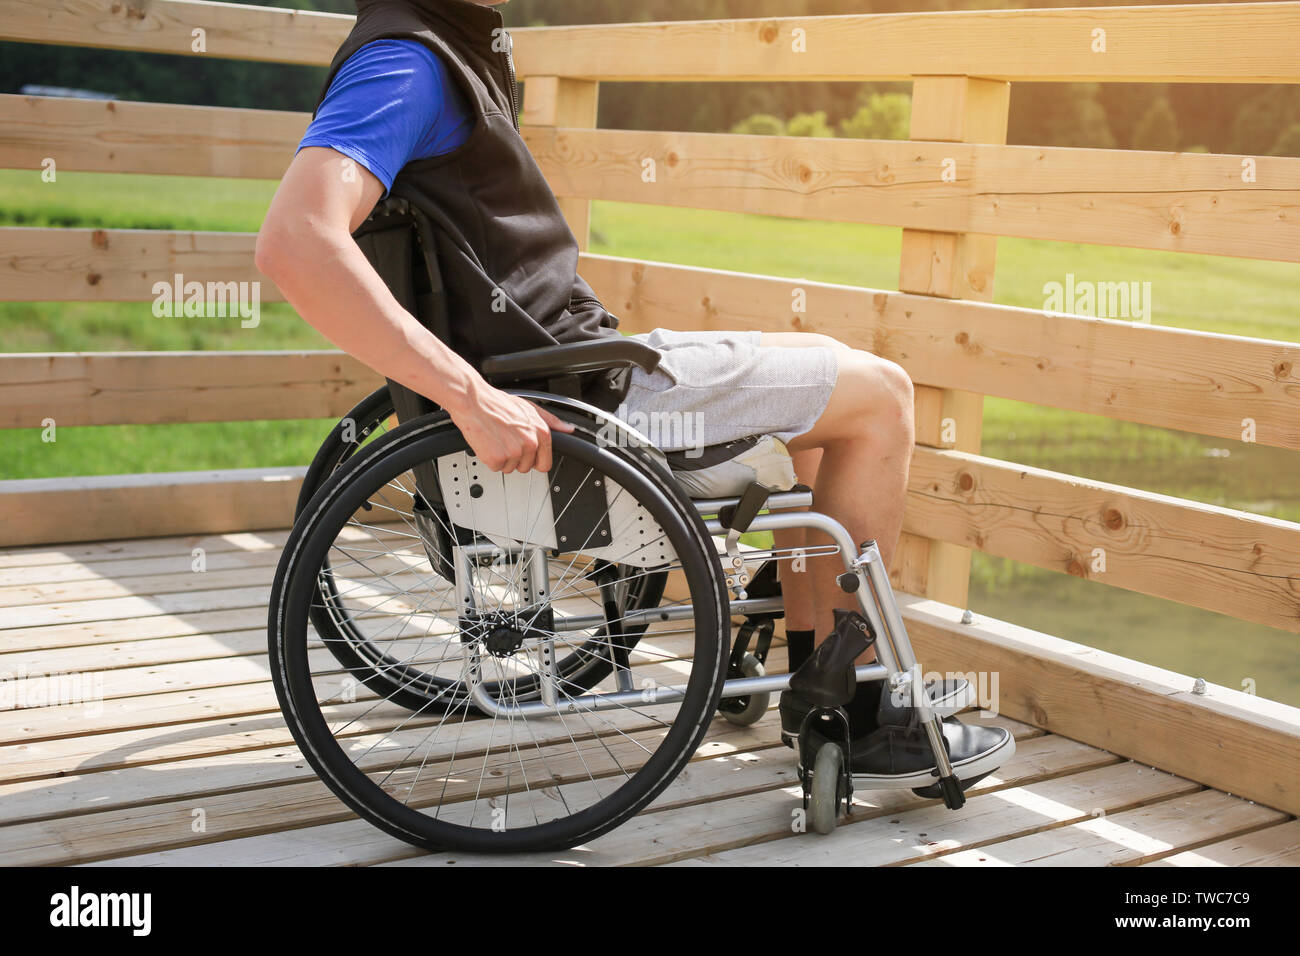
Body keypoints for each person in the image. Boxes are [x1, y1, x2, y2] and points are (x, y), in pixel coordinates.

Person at [255, 0, 1011, 789]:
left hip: (572, 372)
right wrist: (472, 398)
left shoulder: (432, 48)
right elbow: (296, 240)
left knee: (828, 371)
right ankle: (856, 713)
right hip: (587, 402)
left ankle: (825, 686)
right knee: (882, 396)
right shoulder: (407, 66)